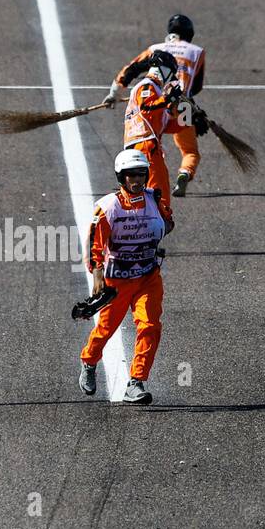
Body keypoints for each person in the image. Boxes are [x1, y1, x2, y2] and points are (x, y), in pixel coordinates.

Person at [78, 149, 173, 405]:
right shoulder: (109, 207)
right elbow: (94, 244)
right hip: (117, 281)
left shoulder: (154, 199)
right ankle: (89, 361)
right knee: (106, 329)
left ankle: (136, 382)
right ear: (121, 178)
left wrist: (163, 211)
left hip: (148, 277)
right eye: (131, 176)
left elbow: (168, 225)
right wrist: (97, 273)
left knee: (150, 326)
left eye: (141, 175)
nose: (137, 181)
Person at [103, 13, 207, 195]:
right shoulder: (197, 51)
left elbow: (132, 69)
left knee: (153, 135)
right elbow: (196, 87)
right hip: (183, 105)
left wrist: (114, 94)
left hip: (156, 98)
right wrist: (191, 114)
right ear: (189, 34)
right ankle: (184, 172)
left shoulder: (155, 49)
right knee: (190, 150)